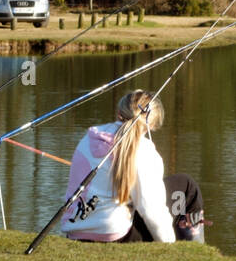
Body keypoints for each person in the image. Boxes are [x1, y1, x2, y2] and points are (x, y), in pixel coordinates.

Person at [61, 90, 205, 243]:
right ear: (151, 124)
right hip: (116, 236)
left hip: (75, 231)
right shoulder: (144, 150)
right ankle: (191, 246)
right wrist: (168, 245)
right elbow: (151, 210)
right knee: (186, 186)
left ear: (118, 113)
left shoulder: (88, 138)